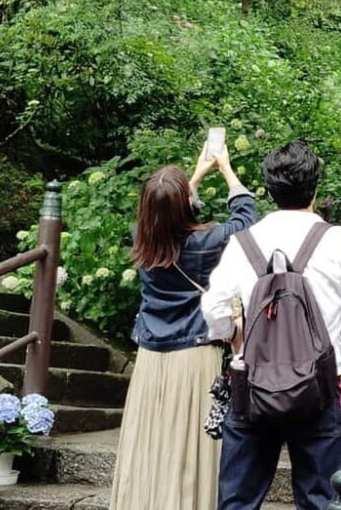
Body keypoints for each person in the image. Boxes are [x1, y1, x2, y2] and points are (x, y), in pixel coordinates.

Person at [202, 140, 341, 510]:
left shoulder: (244, 242)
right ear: (315, 187)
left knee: (238, 501)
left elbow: (214, 311)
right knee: (322, 500)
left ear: (269, 189)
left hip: (252, 386)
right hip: (318, 388)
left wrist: (234, 334)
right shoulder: (339, 242)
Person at [109, 142, 257, 510]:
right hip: (193, 354)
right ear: (185, 203)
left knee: (151, 442)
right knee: (189, 446)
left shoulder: (141, 237)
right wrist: (224, 168)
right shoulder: (208, 241)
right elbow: (246, 218)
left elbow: (165, 212)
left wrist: (194, 176)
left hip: (150, 358)